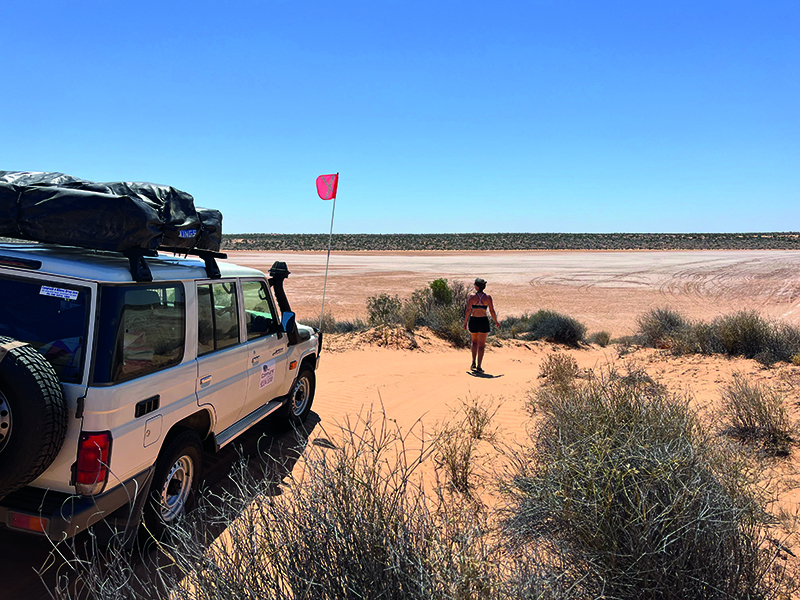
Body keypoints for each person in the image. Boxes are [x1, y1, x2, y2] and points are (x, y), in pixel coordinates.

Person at [463, 278, 499, 372]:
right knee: (482, 345)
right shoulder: (488, 298)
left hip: (474, 320)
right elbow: (492, 311)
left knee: (474, 342)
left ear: (477, 287)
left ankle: (473, 362)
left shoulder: (472, 297)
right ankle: (479, 366)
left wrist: (465, 322)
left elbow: (468, 310)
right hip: (483, 321)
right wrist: (496, 322)